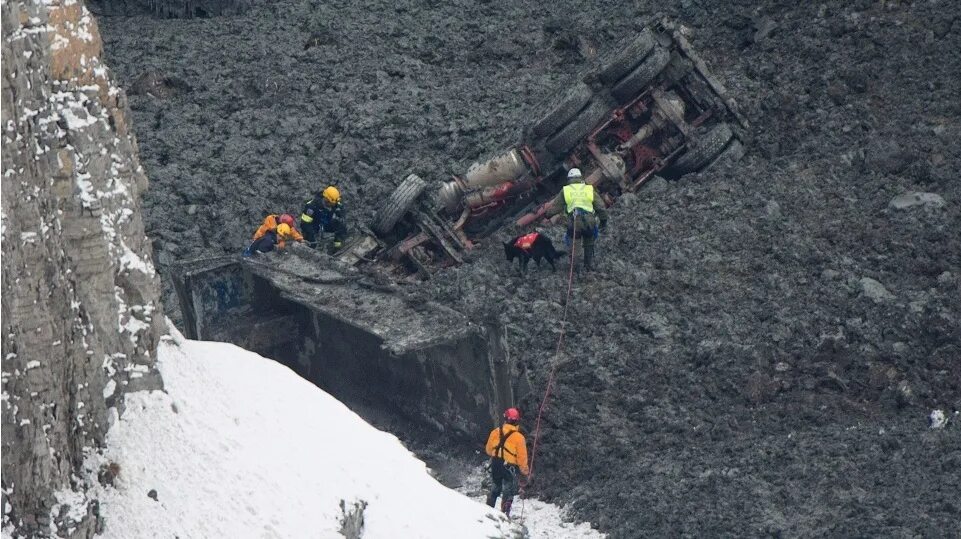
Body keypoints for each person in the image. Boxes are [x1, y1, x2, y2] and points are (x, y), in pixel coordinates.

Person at [546, 168, 608, 271]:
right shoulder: (589, 189)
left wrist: (548, 215)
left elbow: (556, 207)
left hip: (575, 222)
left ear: (569, 179)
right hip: (589, 221)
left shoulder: (565, 190)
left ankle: (575, 269)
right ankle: (588, 266)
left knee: (575, 246)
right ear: (580, 178)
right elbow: (600, 206)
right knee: (589, 244)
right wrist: (603, 221)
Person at [484, 407, 529, 517]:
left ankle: (487, 511)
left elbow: (489, 450)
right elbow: (522, 458)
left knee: (495, 487)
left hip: (496, 464)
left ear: (505, 418)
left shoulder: (495, 432)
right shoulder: (519, 438)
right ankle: (504, 515)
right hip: (509, 467)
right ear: (517, 421)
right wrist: (525, 471)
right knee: (508, 490)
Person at [300, 186, 347, 252]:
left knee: (340, 226)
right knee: (311, 241)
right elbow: (305, 224)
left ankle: (337, 247)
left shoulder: (333, 202)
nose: (334, 205)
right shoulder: (312, 206)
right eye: (332, 203)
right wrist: (311, 237)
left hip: (325, 223)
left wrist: (340, 212)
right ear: (327, 200)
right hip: (313, 226)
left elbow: (339, 205)